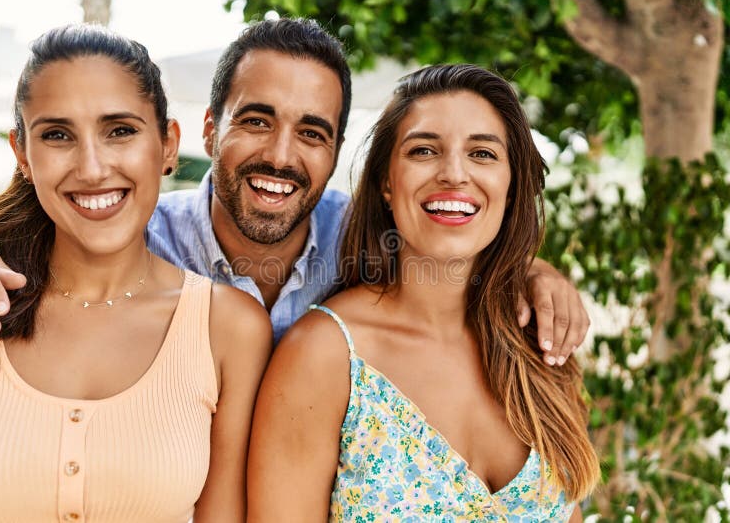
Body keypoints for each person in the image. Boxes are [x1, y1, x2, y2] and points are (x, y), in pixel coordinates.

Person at [0, 19, 587, 362]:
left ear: (335, 151)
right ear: (209, 129)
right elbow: (17, 242)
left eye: (311, 133)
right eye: (255, 120)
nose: (280, 155)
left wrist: (531, 271)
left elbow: (456, 255)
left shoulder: (366, 243)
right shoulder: (130, 236)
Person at [0, 24, 271, 522]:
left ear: (168, 145)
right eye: (57, 135)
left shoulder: (229, 328)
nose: (91, 167)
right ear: (22, 154)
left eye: (120, 131)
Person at [247, 64, 600, 522]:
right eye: (424, 150)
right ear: (386, 183)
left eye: (483, 154)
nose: (454, 174)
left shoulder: (542, 344)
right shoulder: (326, 354)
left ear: (511, 188)